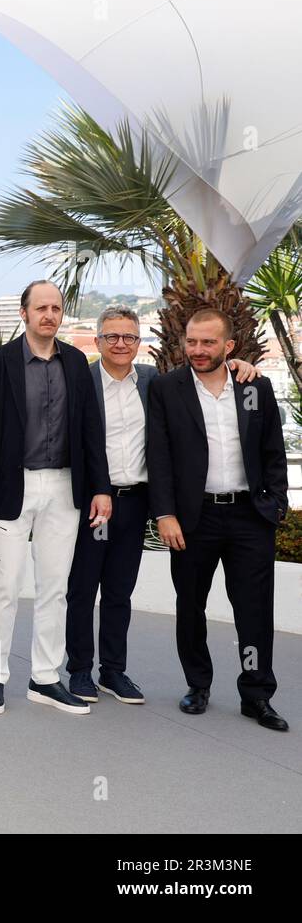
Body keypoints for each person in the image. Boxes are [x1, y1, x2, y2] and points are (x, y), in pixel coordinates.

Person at [65, 306, 260, 707]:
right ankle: (80, 669)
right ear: (98, 341)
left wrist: (238, 362)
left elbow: (201, 375)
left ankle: (113, 671)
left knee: (120, 590)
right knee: (83, 590)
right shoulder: (81, 380)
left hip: (135, 502)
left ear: (140, 342)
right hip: (93, 504)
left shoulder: (153, 382)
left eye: (129, 337)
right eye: (112, 337)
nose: (121, 344)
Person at [147, 308, 289, 731]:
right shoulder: (166, 388)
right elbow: (159, 456)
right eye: (192, 341)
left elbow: (273, 452)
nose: (197, 350)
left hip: (250, 517)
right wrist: (165, 514)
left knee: (254, 611)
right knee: (190, 607)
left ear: (228, 346)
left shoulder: (253, 387)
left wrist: (275, 505)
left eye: (208, 342)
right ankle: (198, 684)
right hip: (193, 518)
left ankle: (257, 694)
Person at [0, 280, 111, 716]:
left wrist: (100, 488)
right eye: (41, 308)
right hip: (10, 489)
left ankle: (45, 678)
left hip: (64, 488)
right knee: (4, 589)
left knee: (55, 588)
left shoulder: (76, 363)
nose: (49, 315)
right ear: (24, 313)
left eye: (56, 308)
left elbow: (93, 429)